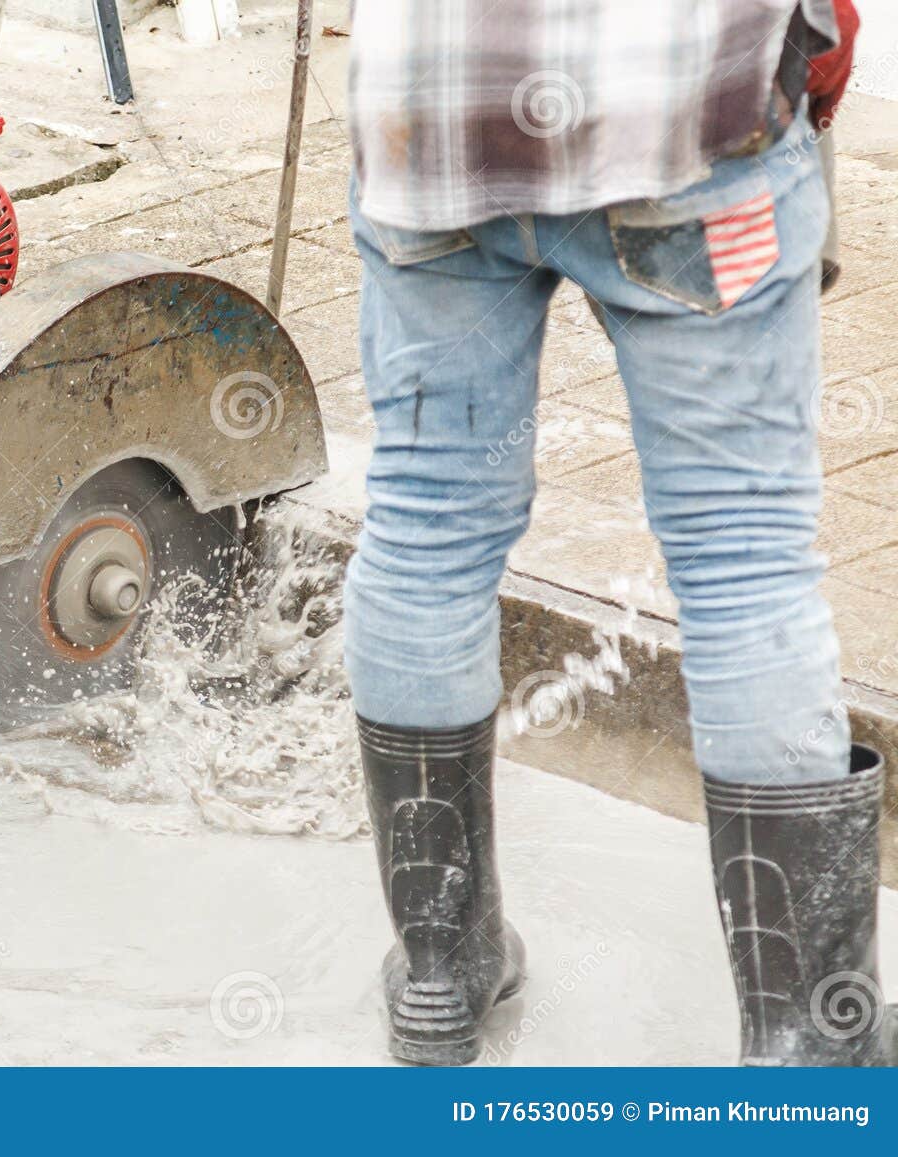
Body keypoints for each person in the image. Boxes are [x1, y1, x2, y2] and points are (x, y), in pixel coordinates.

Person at [344, 0, 890, 1065]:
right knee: (743, 558)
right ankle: (806, 1045)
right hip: (684, 111)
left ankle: (441, 970)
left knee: (425, 524)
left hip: (435, 111)